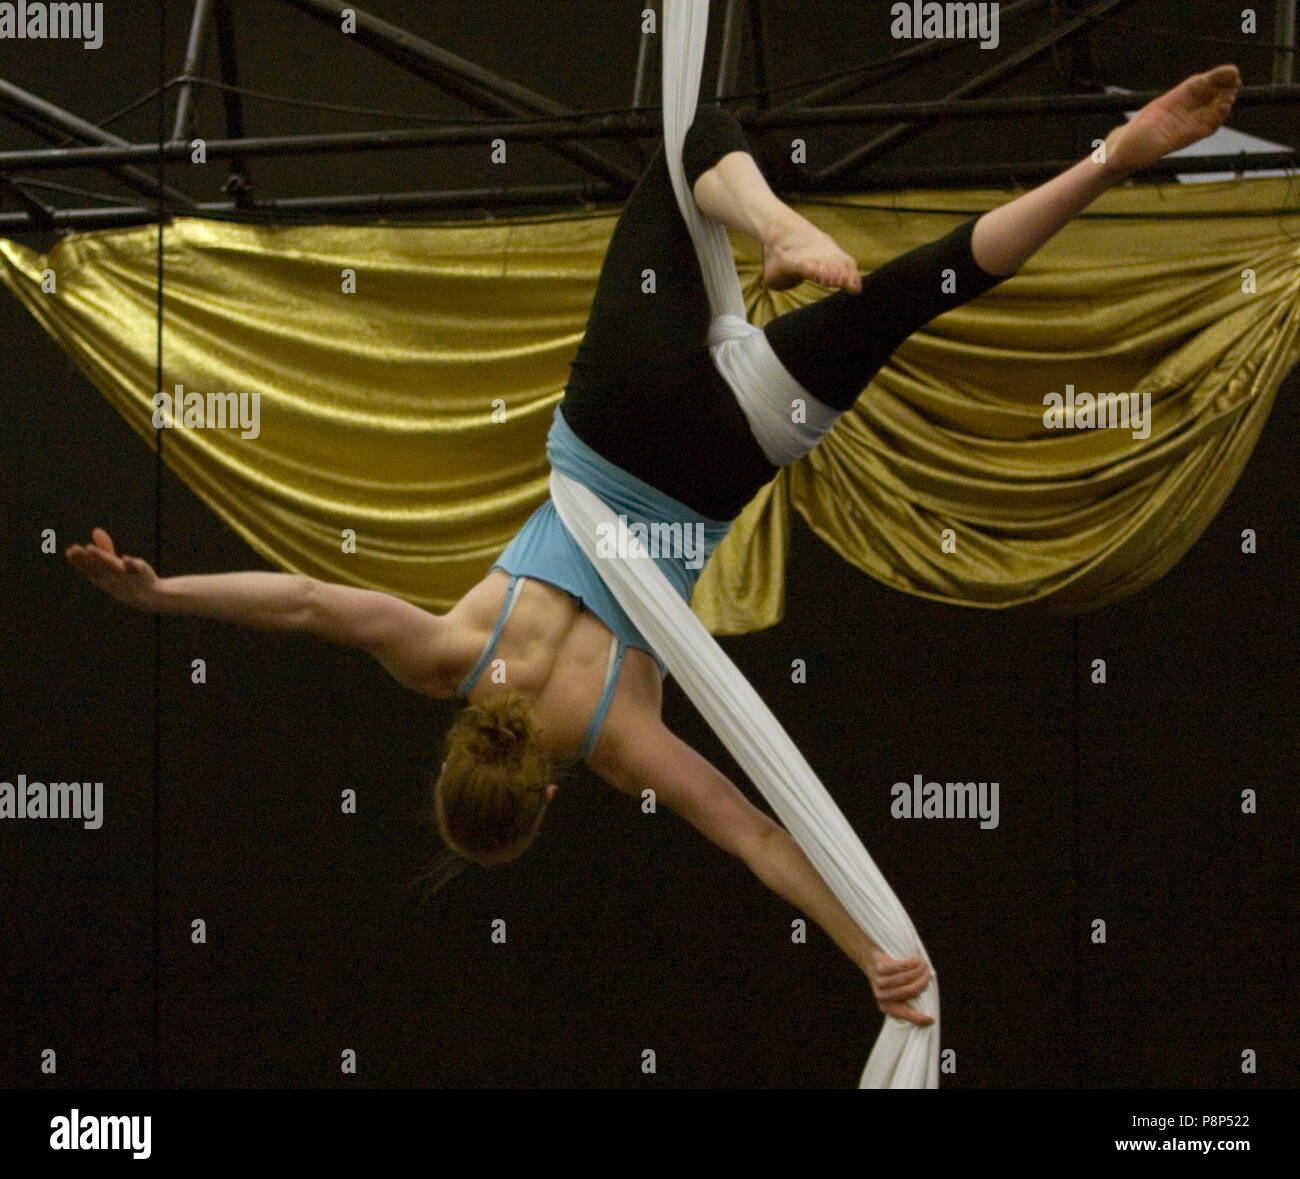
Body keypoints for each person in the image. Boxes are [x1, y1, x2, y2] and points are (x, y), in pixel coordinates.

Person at [66, 66, 1241, 1028]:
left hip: (727, 454)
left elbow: (765, 838)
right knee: (687, 133)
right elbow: (309, 604)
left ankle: (1104, 162)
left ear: (540, 796)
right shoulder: (448, 656)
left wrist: (870, 953)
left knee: (908, 297)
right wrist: (158, 594)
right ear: (449, 761)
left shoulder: (614, 743)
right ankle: (774, 220)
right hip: (613, 421)